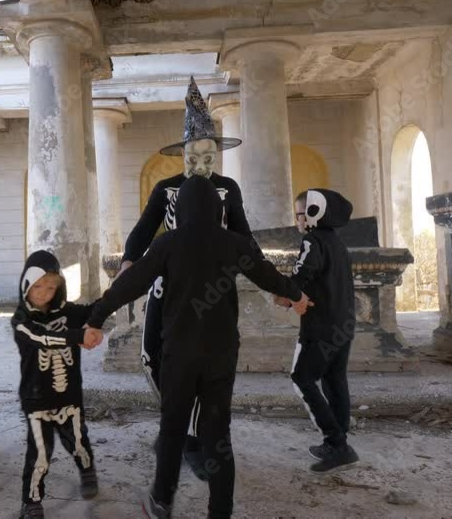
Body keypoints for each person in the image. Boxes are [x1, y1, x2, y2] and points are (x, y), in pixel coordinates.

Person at [86, 176, 309, 519]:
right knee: (218, 433)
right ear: (218, 209)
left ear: (182, 208)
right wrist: (295, 296)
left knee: (173, 428)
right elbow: (269, 277)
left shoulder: (167, 244)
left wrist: (96, 317)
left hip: (180, 353)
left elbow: (129, 284)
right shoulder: (235, 244)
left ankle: (161, 501)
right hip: (221, 354)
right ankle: (219, 512)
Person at [118, 76, 254, 479]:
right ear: (183, 156)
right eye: (195, 157)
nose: (202, 165)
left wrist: (258, 269)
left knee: (205, 363)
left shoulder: (228, 189)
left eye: (209, 157)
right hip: (168, 285)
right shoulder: (166, 188)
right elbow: (144, 230)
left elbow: (243, 235)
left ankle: (192, 438)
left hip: (214, 290)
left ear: (217, 156)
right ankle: (174, 420)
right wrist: (128, 261)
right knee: (152, 356)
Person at [12, 250, 105, 519]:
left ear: (59, 288)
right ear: (26, 285)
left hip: (69, 397)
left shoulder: (68, 312)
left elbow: (94, 311)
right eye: (38, 286)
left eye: (51, 287)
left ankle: (87, 471)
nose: (44, 292)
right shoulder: (21, 321)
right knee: (40, 454)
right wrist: (79, 335)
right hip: (36, 400)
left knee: (78, 442)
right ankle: (31, 500)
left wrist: (115, 296)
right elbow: (40, 337)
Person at [275, 188, 360, 473]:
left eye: (299, 213)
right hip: (343, 325)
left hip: (320, 327)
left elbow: (303, 274)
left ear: (313, 213)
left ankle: (335, 441)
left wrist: (285, 294)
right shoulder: (336, 242)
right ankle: (339, 445)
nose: (297, 219)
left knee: (301, 378)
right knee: (335, 381)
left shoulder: (312, 241)